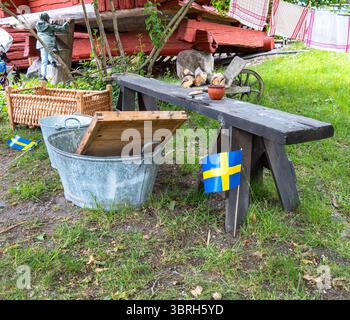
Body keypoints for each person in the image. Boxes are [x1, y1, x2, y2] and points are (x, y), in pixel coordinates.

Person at [35, 13, 69, 81]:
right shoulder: (49, 26)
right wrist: (67, 22)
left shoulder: (37, 25)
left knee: (44, 58)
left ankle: (46, 70)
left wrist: (51, 23)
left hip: (41, 43)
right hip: (48, 43)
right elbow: (62, 28)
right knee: (46, 57)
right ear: (46, 18)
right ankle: (44, 76)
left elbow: (46, 25)